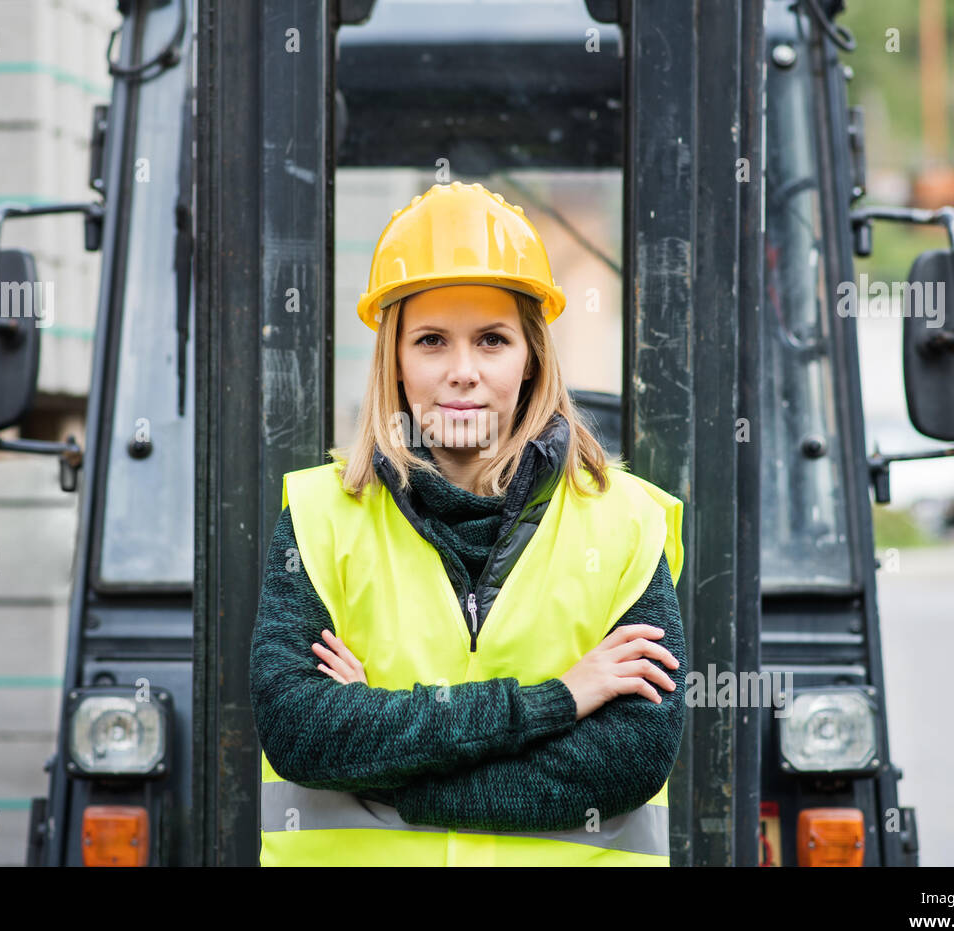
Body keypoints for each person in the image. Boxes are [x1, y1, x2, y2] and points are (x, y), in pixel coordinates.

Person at [249, 181, 687, 866]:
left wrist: (387, 767)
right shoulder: (320, 519)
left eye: (491, 340)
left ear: (532, 357)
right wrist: (560, 700)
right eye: (430, 341)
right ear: (394, 359)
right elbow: (302, 734)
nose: (462, 372)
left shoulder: (624, 523)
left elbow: (625, 763)